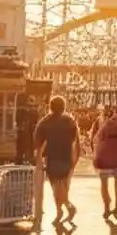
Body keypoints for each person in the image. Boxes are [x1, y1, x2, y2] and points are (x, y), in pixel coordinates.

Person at [35, 95, 81, 226]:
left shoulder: (45, 121)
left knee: (55, 186)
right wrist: (75, 158)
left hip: (52, 157)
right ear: (64, 106)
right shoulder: (70, 121)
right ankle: (66, 206)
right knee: (63, 185)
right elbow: (76, 141)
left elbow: (38, 141)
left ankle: (61, 209)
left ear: (50, 106)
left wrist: (39, 159)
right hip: (66, 157)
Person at [92, 106, 117, 221]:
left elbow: (96, 138)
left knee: (104, 183)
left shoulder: (101, 122)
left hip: (105, 155)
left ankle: (107, 207)